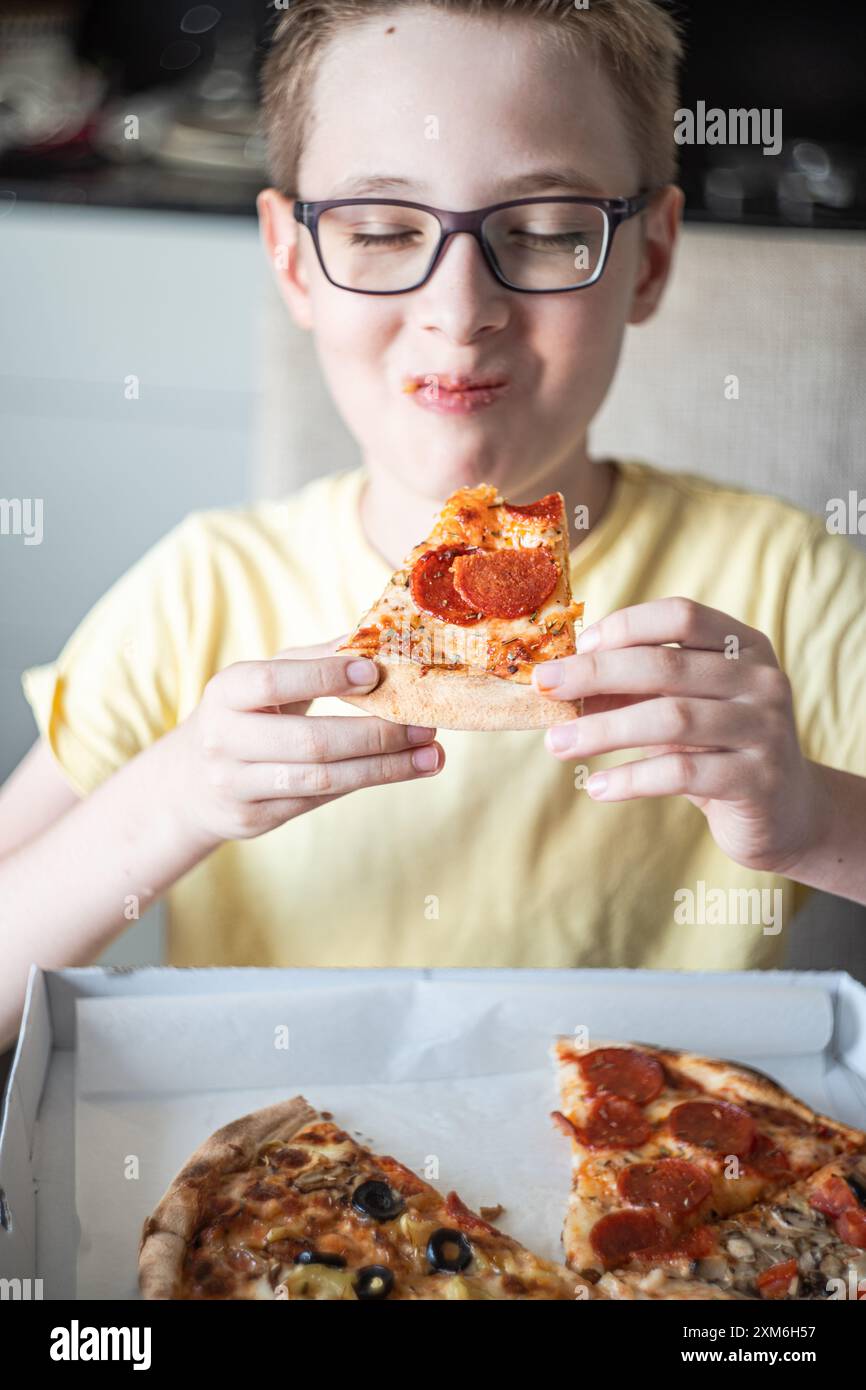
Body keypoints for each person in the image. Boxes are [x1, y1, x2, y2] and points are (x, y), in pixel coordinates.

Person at [1, 0, 864, 1050]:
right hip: (273, 1187)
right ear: (292, 260)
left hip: (660, 1158)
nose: (460, 310)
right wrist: (167, 803)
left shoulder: (786, 585)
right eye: (380, 230)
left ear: (646, 258)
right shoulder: (198, 594)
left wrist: (814, 817)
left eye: (545, 232)